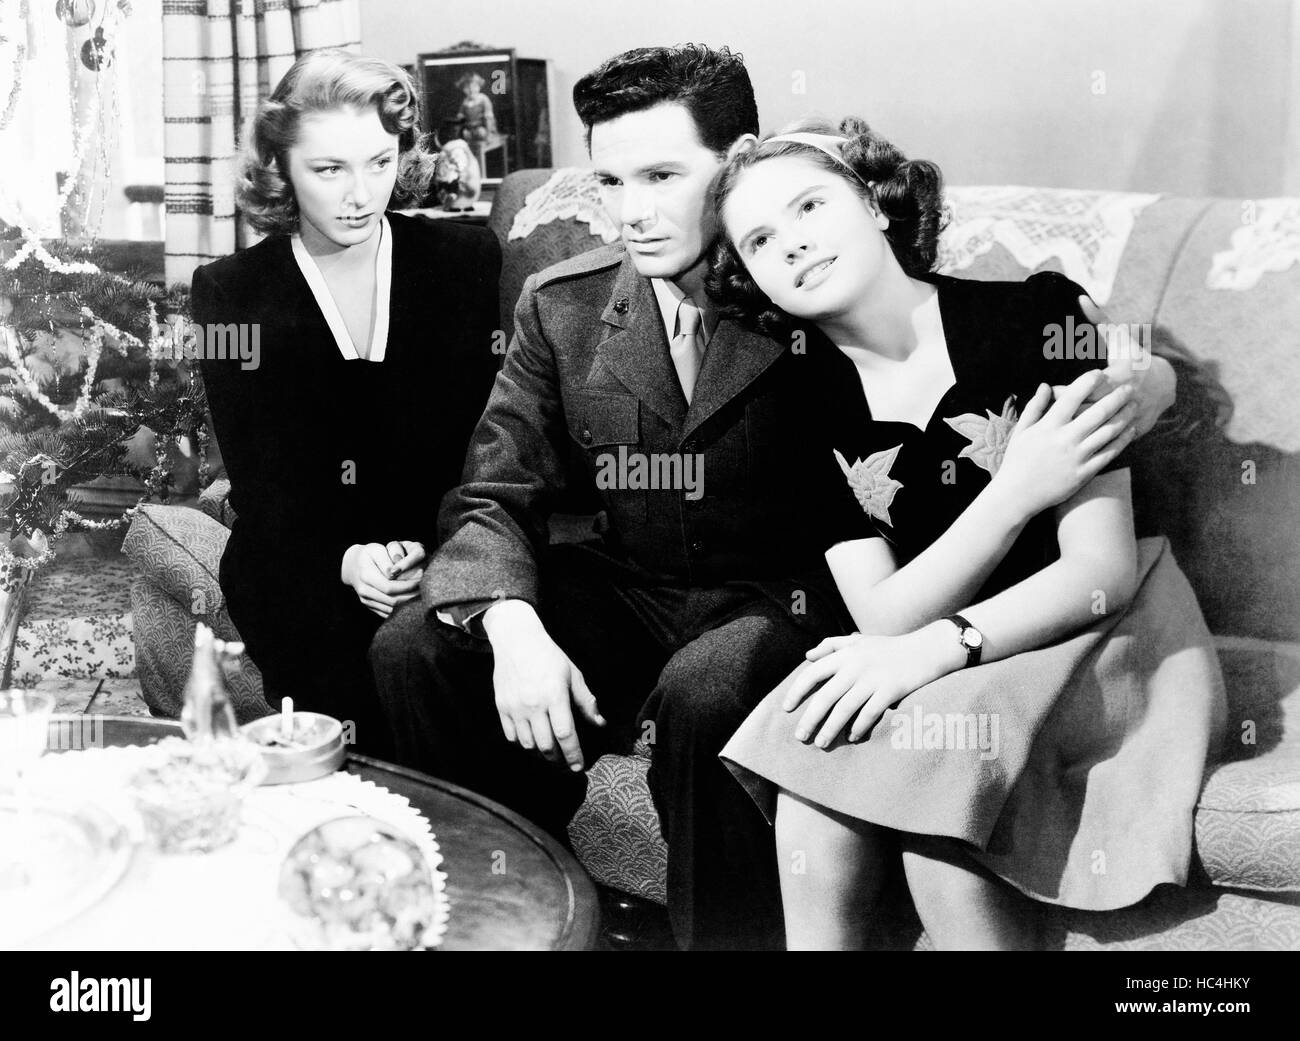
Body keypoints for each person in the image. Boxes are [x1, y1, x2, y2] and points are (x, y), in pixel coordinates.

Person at [370, 45, 1176, 951]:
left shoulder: (804, 303)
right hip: (631, 587)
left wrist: (1149, 374)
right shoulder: (562, 306)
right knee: (420, 647)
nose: (632, 212)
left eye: (663, 175)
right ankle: (518, 919)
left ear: (737, 159)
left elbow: (977, 340)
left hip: (782, 598)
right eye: (611, 181)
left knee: (713, 684)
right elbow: (493, 489)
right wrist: (509, 624)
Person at [711, 119, 1227, 950]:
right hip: (938, 646)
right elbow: (880, 615)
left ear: (878, 206)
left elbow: (1100, 569)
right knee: (810, 797)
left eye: (811, 205)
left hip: (1103, 631)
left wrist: (936, 647)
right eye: (763, 240)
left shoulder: (1038, 316)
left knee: (934, 830)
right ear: (756, 279)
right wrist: (1015, 490)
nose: (795, 244)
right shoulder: (790, 405)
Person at [193, 50, 501, 756]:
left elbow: (492, 448)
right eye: (328, 170)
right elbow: (264, 482)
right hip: (302, 554)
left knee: (429, 673)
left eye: (379, 162)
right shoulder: (231, 292)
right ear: (280, 169)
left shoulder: (466, 262)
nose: (360, 193)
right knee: (347, 701)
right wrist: (347, 559)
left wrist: (428, 555)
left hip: (443, 542)